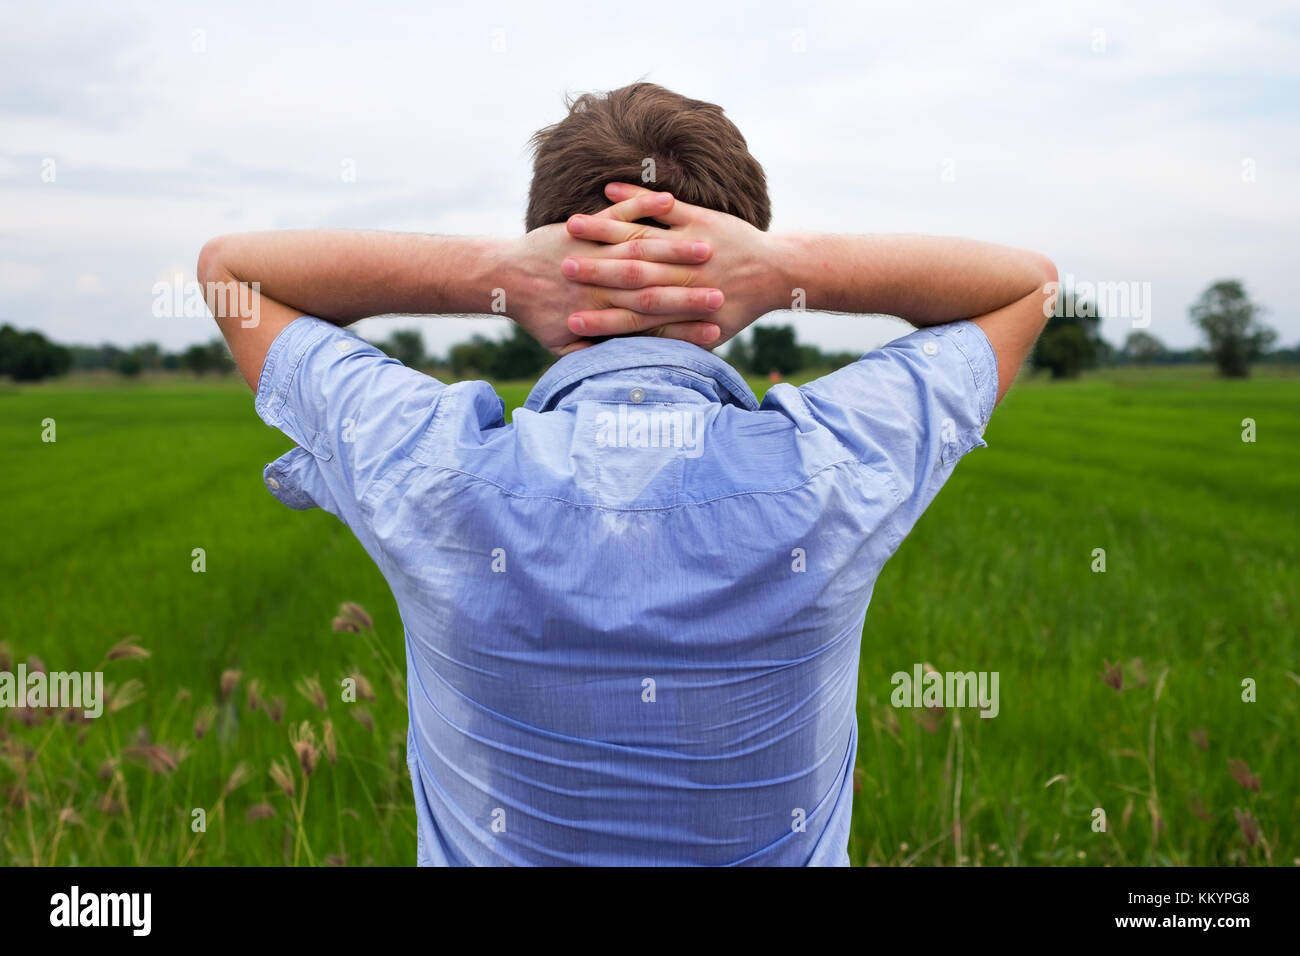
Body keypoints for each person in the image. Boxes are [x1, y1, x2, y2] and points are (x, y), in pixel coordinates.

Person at [198, 83, 1056, 865]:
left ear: (544, 247)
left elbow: (233, 275)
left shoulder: (433, 465)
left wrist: (495, 277)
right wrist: (788, 273)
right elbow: (1026, 289)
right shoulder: (831, 464)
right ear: (733, 260)